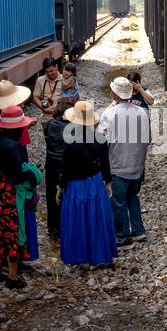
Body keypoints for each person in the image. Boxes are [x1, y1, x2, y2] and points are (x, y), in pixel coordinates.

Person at [0, 80, 39, 263]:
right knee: (17, 217)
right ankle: (19, 254)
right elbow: (20, 156)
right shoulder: (15, 124)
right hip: (12, 178)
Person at [59, 101, 117, 267]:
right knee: (96, 218)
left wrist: (61, 186)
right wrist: (108, 182)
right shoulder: (100, 139)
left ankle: (80, 256)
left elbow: (66, 167)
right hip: (94, 183)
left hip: (76, 185)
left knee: (77, 220)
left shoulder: (70, 141)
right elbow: (105, 164)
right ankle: (98, 255)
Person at [100, 77, 151, 247]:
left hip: (117, 165)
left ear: (114, 93)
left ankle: (122, 236)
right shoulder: (141, 112)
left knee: (118, 201)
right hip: (138, 164)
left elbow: (102, 140)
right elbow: (148, 138)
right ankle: (138, 230)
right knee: (132, 197)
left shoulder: (109, 113)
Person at [44, 95, 78, 243]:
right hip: (68, 166)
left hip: (52, 165)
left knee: (51, 197)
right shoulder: (75, 128)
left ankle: (53, 229)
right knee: (68, 196)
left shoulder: (49, 125)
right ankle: (68, 228)